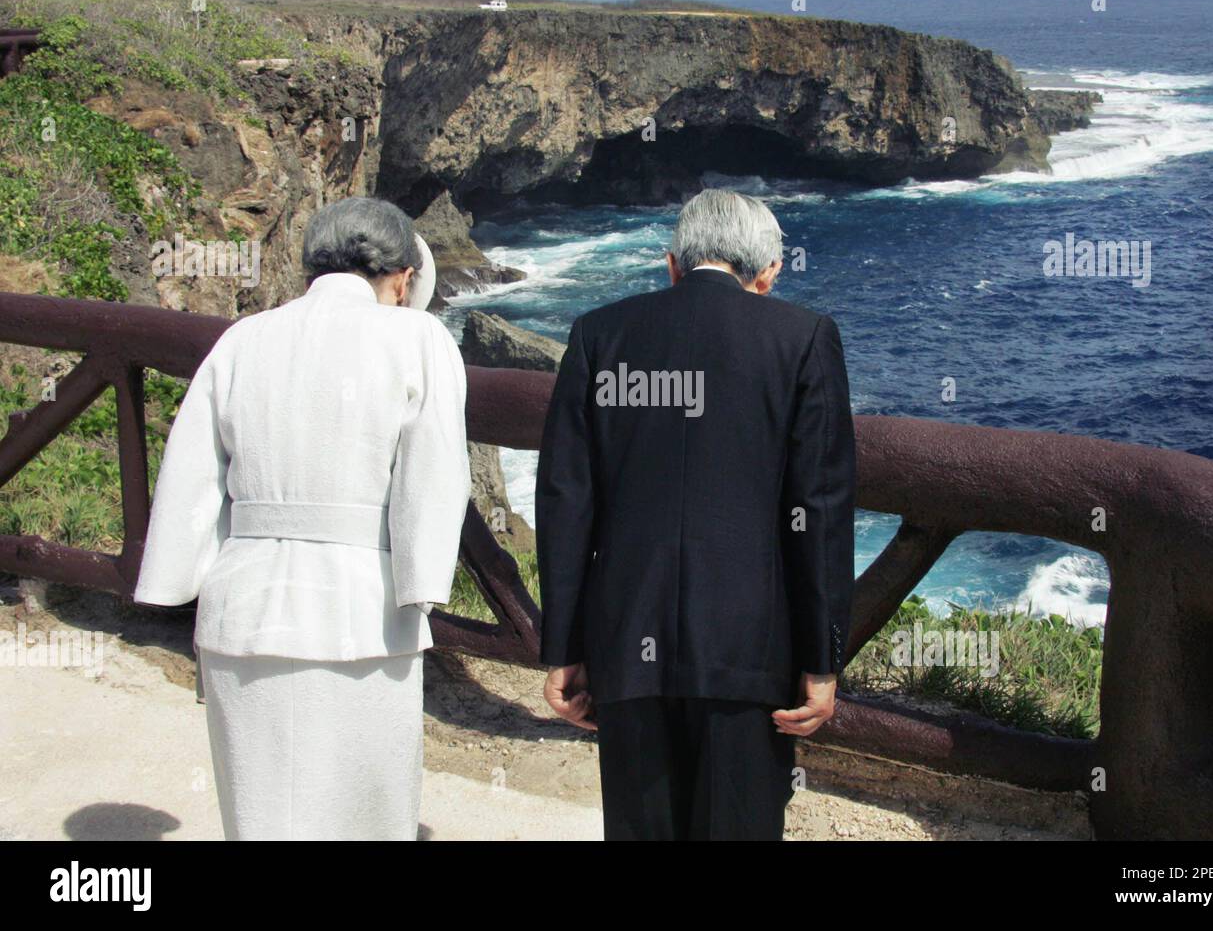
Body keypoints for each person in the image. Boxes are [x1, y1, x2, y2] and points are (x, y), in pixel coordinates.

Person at [133, 197, 469, 840]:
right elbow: (434, 476)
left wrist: (172, 578)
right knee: (363, 814)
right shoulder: (418, 337)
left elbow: (192, 475)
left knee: (260, 812)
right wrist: (424, 585)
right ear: (401, 278)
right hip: (364, 614)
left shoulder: (243, 339)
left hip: (242, 610)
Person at [536, 188, 855, 840]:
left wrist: (564, 649)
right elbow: (818, 511)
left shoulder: (598, 335)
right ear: (767, 275)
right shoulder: (804, 339)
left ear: (673, 264)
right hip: (748, 653)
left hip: (628, 645)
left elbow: (566, 500)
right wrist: (822, 662)